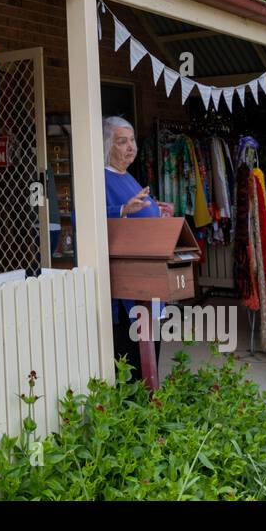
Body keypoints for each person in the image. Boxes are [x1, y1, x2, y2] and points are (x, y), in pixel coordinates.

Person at [102, 116, 174, 381]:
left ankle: (149, 400)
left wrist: (159, 209)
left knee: (150, 343)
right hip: (127, 283)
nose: (131, 146)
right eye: (122, 141)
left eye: (132, 140)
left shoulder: (128, 176)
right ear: (107, 146)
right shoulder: (100, 177)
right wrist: (121, 210)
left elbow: (139, 211)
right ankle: (135, 403)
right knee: (131, 350)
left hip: (148, 275)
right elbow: (82, 217)